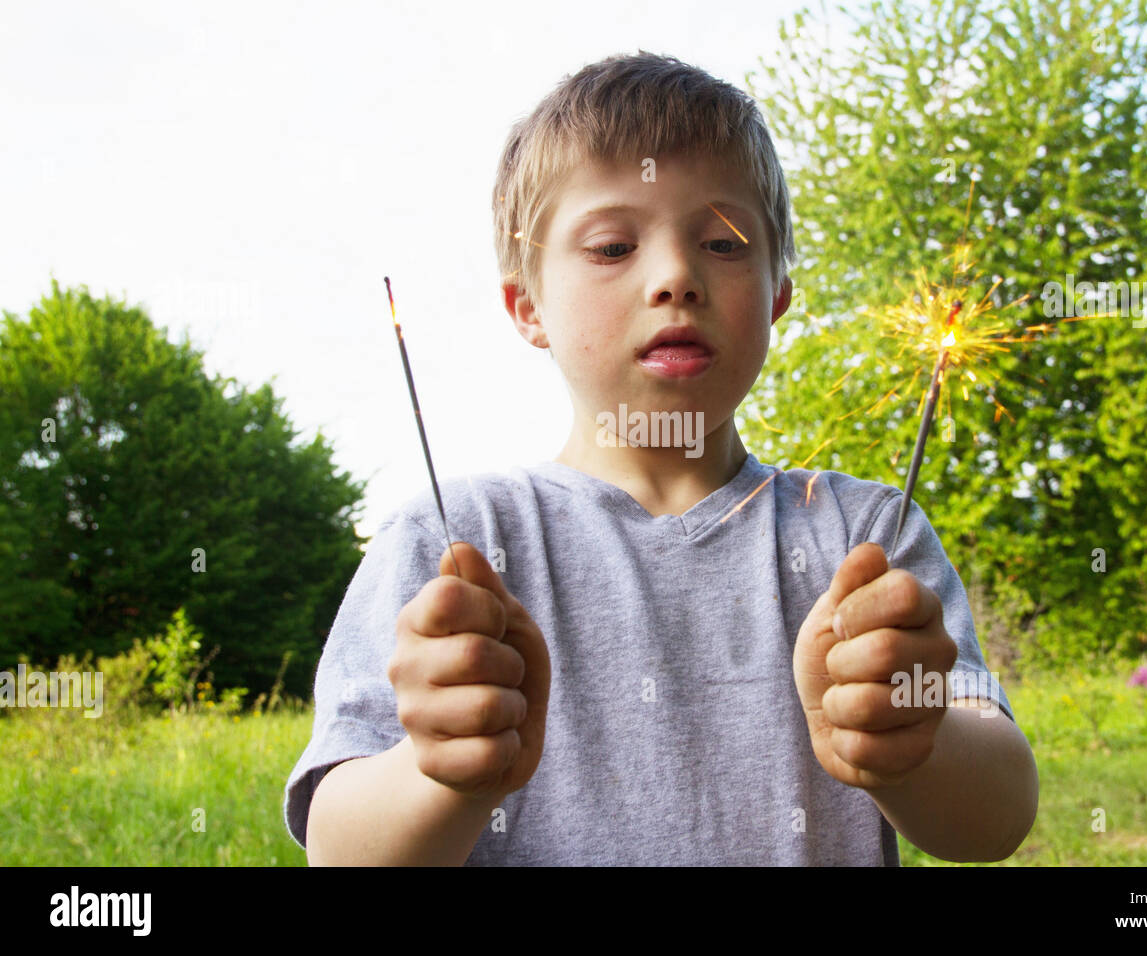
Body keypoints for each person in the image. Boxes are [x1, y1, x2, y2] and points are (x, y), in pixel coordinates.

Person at [285, 50, 1038, 865]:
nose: (676, 276)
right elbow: (340, 848)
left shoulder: (865, 536)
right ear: (526, 305)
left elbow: (995, 820)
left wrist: (910, 736)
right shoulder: (453, 541)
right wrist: (442, 772)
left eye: (722, 242)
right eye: (612, 247)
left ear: (778, 292)